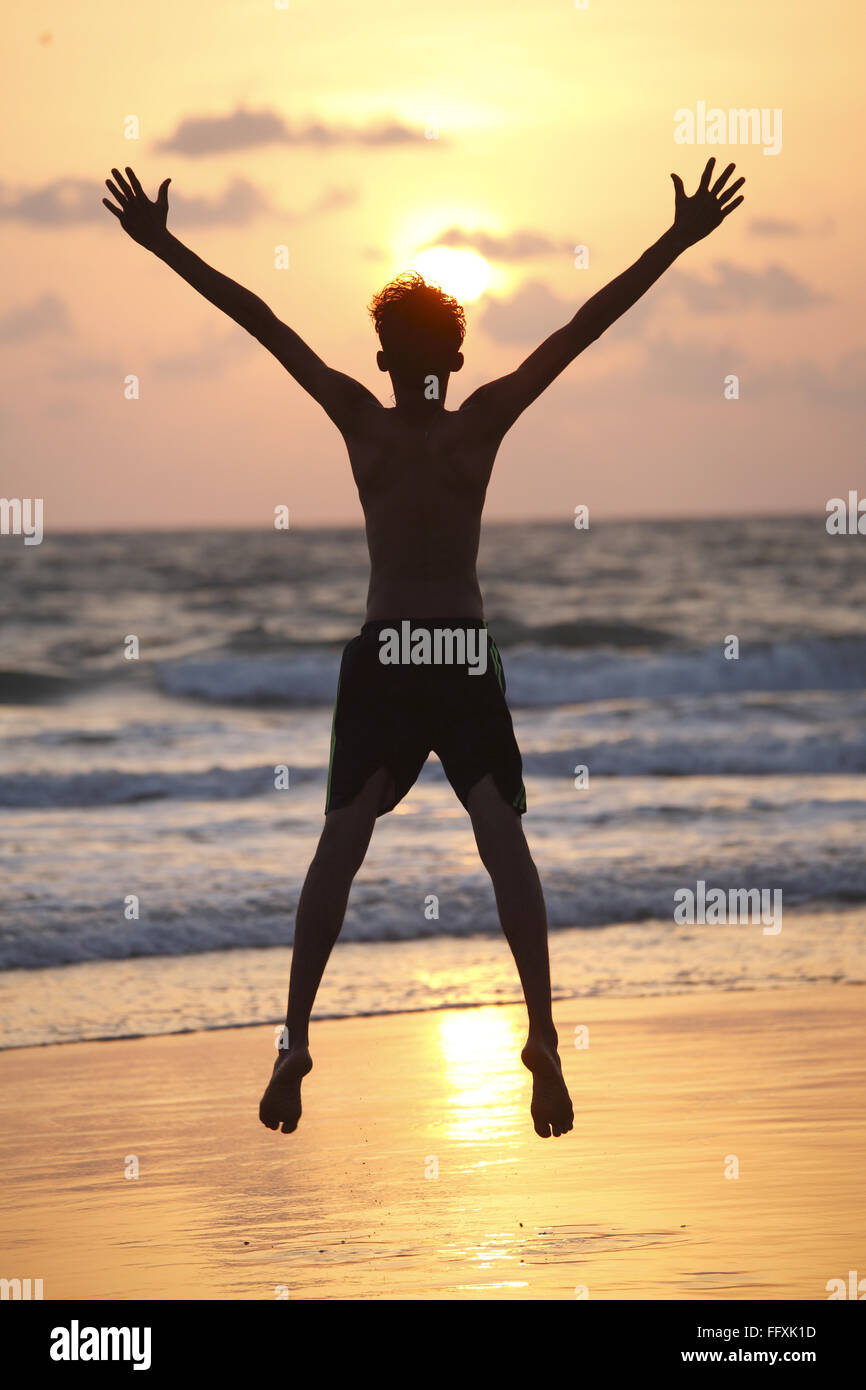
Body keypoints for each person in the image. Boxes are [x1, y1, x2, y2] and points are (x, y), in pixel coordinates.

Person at [103, 158, 744, 1138]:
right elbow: (579, 330)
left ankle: (293, 1036)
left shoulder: (360, 422)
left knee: (340, 846)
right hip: (456, 650)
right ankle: (538, 1031)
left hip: (387, 649)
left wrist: (163, 245)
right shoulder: (478, 424)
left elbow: (263, 322)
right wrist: (673, 240)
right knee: (501, 842)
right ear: (451, 349)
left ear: (381, 357)